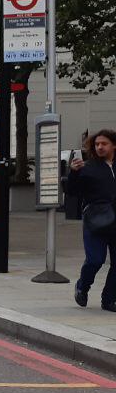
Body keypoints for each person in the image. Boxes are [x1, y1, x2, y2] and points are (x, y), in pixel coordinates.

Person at [67, 128, 116, 312]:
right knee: (95, 260)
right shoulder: (87, 168)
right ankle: (82, 286)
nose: (100, 147)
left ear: (114, 145)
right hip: (96, 220)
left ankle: (109, 299)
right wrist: (73, 173)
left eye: (104, 144)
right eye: (97, 144)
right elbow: (71, 192)